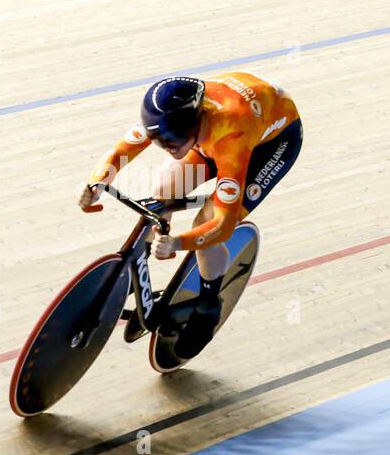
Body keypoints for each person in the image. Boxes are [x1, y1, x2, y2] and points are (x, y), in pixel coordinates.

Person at [78, 73, 302, 358]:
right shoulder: (165, 117)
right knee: (164, 189)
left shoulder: (232, 137)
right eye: (161, 142)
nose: (169, 150)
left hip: (269, 145)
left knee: (205, 225)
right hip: (214, 134)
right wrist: (96, 182)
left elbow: (221, 227)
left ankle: (209, 306)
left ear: (196, 123)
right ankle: (144, 266)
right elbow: (121, 150)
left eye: (174, 142)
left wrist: (179, 242)